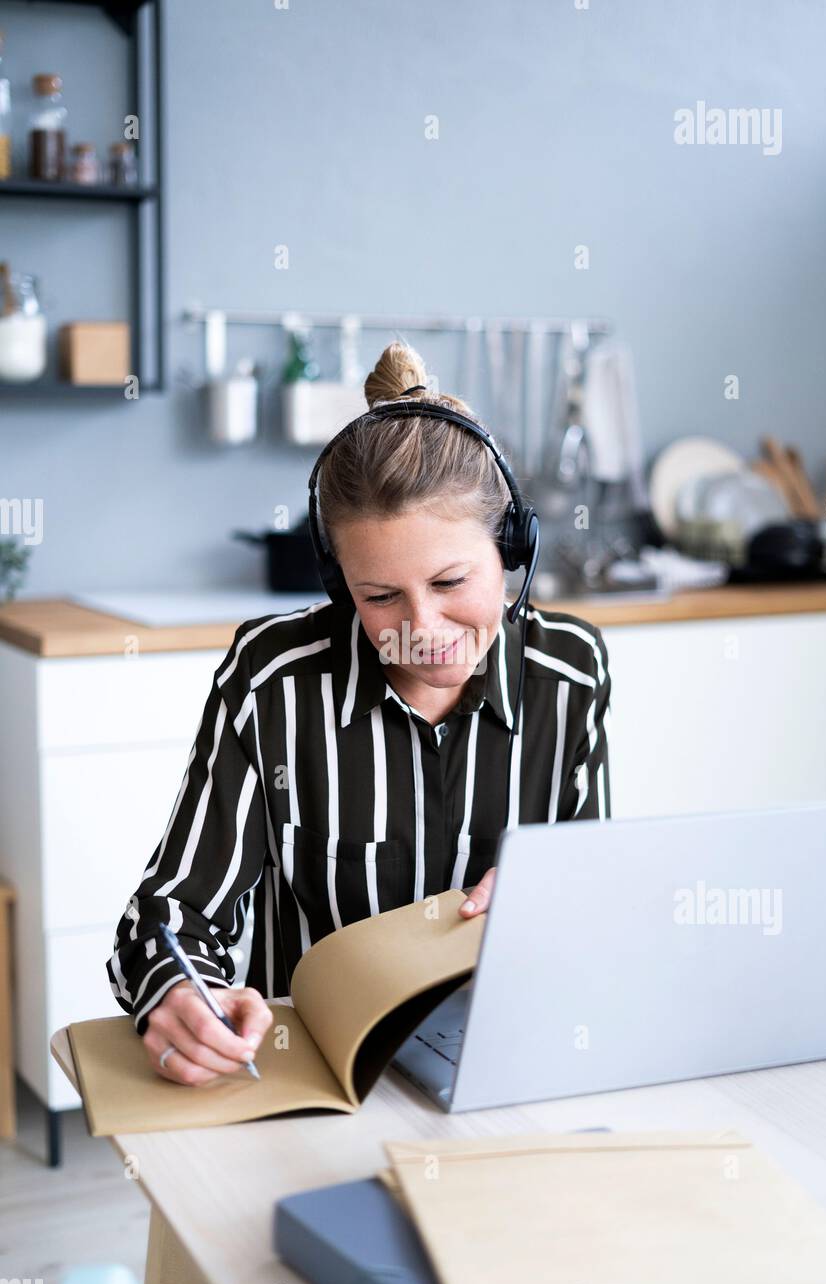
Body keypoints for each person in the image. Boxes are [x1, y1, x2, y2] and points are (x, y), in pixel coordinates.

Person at [105, 341, 612, 1087]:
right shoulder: (274, 678)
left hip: (511, 1068)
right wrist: (179, 992)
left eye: (450, 581)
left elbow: (603, 892)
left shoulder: (570, 672)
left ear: (511, 549)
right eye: (379, 597)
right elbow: (169, 913)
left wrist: (563, 891)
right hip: (320, 1082)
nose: (423, 626)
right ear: (341, 588)